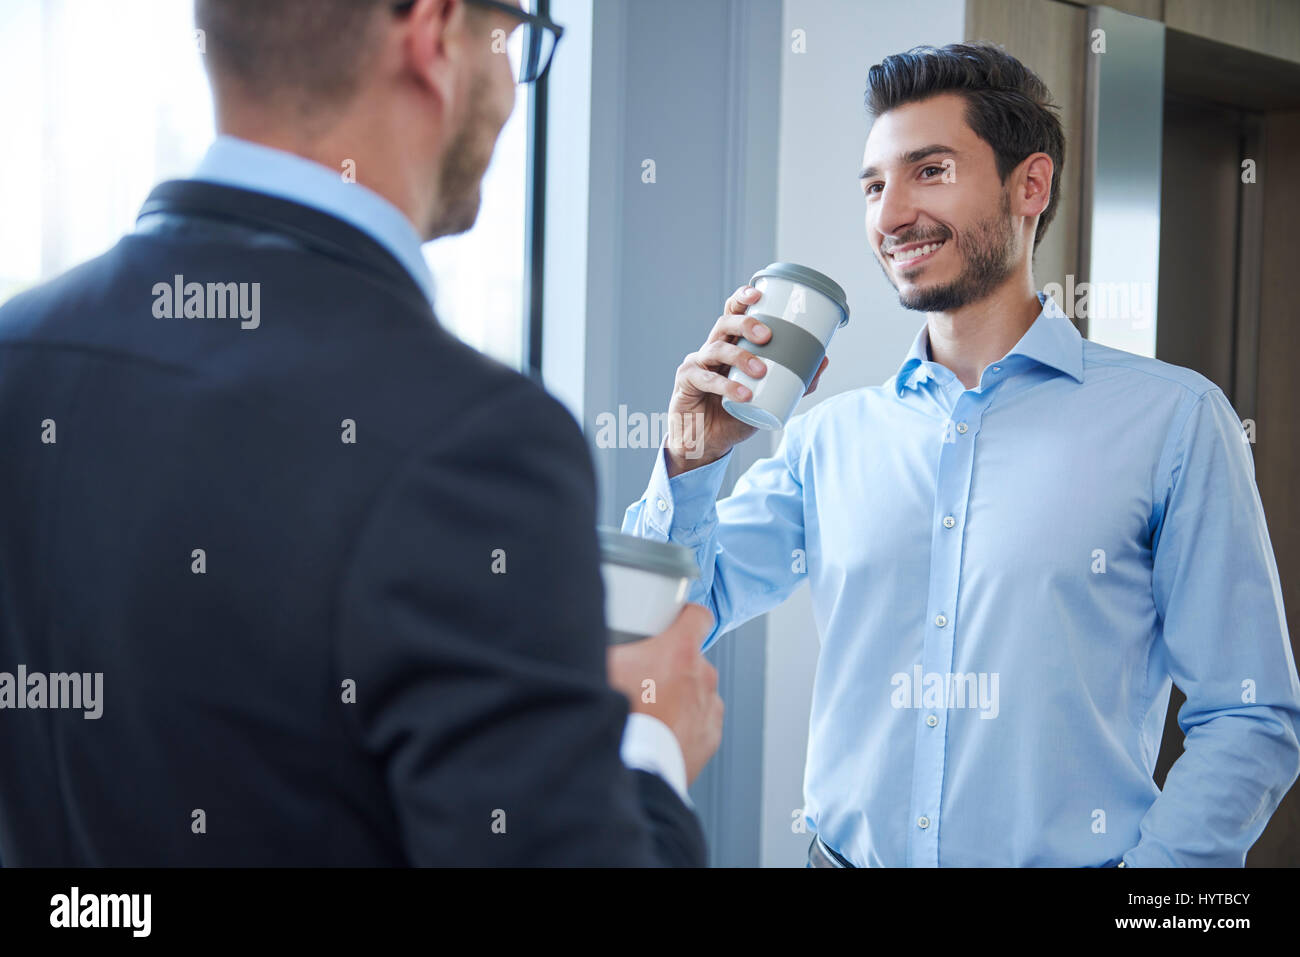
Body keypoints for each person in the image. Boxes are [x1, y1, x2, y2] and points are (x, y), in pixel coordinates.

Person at [0, 0, 722, 866]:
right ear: (437, 32)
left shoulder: (21, 351)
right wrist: (649, 749)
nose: (513, 88)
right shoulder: (481, 442)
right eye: (516, 41)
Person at [625, 42, 1300, 867]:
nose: (890, 213)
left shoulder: (1177, 423)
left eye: (929, 170)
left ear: (1031, 185)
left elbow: (1250, 715)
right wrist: (690, 459)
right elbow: (658, 631)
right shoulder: (828, 440)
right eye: (874, 186)